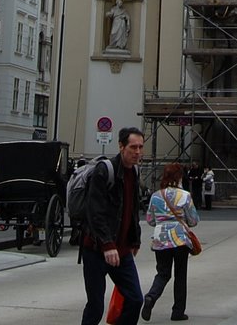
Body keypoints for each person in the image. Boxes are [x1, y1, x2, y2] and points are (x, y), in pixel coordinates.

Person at [80, 127, 146, 325]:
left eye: (141, 147)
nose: (138, 152)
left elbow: (133, 209)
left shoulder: (134, 171)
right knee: (95, 306)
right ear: (121, 146)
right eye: (133, 147)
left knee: (135, 299)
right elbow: (95, 211)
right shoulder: (105, 170)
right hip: (96, 250)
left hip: (123, 251)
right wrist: (107, 245)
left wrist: (135, 239)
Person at [142, 162, 199, 322]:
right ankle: (177, 311)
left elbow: (150, 220)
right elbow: (193, 220)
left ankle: (151, 297)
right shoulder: (185, 195)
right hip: (179, 239)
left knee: (163, 273)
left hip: (160, 239)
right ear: (179, 177)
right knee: (180, 275)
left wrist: (162, 221)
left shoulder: (156, 196)